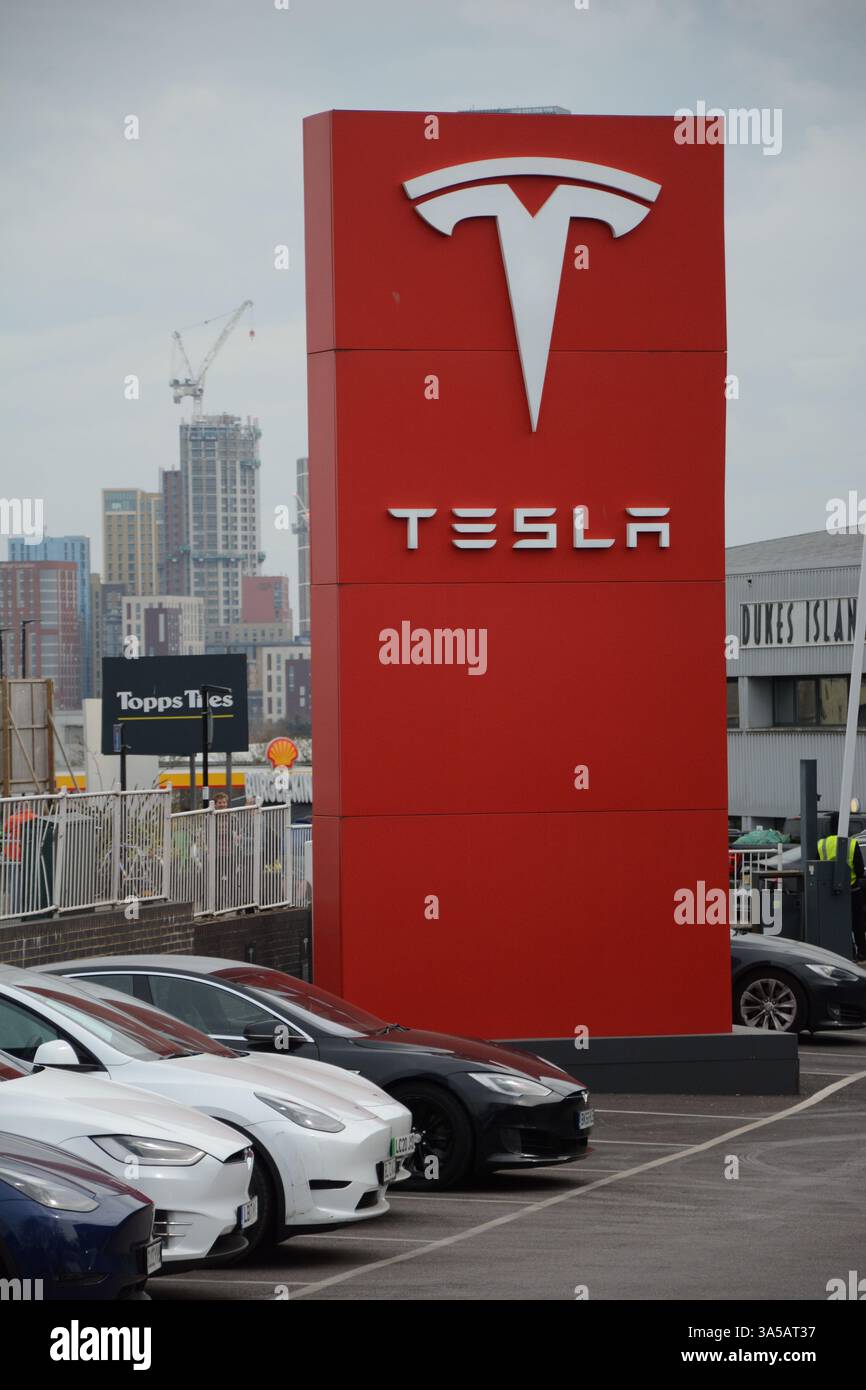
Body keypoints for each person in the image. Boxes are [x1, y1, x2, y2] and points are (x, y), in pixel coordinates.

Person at [818, 813, 866, 961]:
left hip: (828, 893)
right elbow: (859, 870)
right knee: (857, 924)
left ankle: (846, 951)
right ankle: (862, 952)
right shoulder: (851, 844)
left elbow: (818, 866)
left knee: (836, 924)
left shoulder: (821, 844)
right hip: (852, 891)